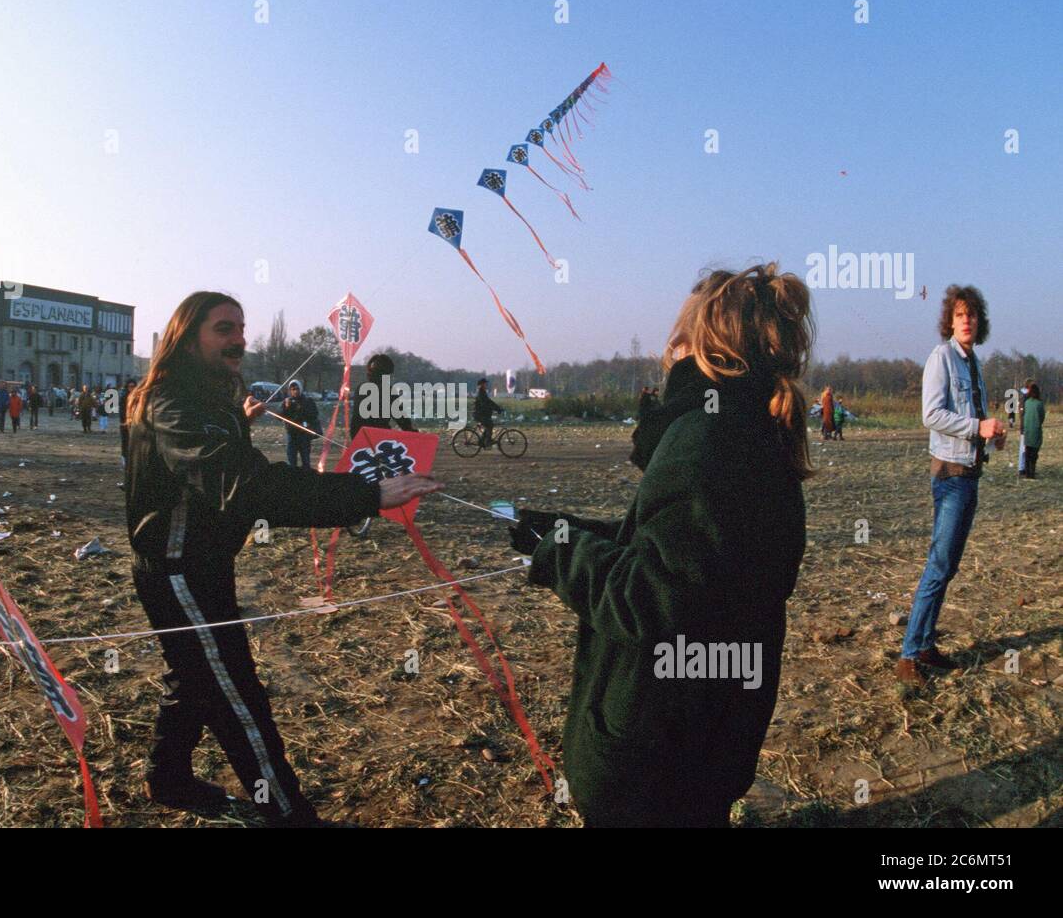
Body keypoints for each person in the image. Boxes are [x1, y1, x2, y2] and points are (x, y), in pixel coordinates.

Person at [507, 263, 812, 827]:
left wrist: (559, 554)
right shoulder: (749, 427)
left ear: (700, 342)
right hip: (707, 739)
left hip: (656, 760)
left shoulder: (708, 437)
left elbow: (652, 596)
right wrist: (568, 529)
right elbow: (686, 553)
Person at [124, 291, 441, 824]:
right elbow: (241, 484)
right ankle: (291, 816)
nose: (239, 339)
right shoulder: (171, 403)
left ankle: (168, 776)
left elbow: (215, 469)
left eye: (242, 328)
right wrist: (365, 495)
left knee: (197, 675)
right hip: (178, 570)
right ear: (187, 334)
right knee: (237, 695)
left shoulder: (207, 396)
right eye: (224, 328)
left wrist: (239, 422)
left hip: (202, 562)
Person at [898, 285, 1005, 685]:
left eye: (972, 315)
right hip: (950, 476)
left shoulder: (974, 364)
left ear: (980, 322)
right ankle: (908, 655)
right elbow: (932, 414)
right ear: (950, 321)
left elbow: (973, 415)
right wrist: (977, 426)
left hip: (970, 472)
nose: (966, 321)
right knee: (939, 565)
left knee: (949, 566)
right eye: (959, 315)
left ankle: (925, 643)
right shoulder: (941, 357)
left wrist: (990, 432)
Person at [350, 353, 418, 439]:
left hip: (359, 435)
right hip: (380, 436)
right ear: (386, 374)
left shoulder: (361, 388)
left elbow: (356, 419)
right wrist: (413, 432)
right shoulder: (388, 390)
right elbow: (401, 418)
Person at [280, 380, 320, 468]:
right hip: (291, 434)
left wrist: (301, 408)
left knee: (305, 461)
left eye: (297, 389)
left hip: (304, 434)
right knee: (291, 461)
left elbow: (314, 415)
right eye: (293, 389)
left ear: (301, 389)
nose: (295, 391)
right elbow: (279, 416)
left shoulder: (308, 401)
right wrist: (286, 407)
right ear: (290, 390)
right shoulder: (287, 401)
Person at [1022, 383, 1045, 479]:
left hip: (1027, 431)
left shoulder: (1026, 403)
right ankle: (1032, 473)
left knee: (1027, 453)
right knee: (1034, 455)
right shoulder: (1039, 404)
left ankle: (1027, 473)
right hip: (1035, 431)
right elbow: (1042, 417)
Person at [473, 378, 503, 450]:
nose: (486, 385)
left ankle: (481, 442)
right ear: (482, 385)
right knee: (489, 424)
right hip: (479, 414)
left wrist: (498, 408)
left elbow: (489, 401)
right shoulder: (481, 393)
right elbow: (485, 404)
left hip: (481, 414)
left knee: (488, 425)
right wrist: (494, 409)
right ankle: (488, 441)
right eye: (485, 383)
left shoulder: (483, 392)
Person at [119, 379, 136, 464]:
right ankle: (124, 459)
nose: (132, 388)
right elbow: (122, 411)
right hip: (125, 423)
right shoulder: (124, 397)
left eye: (133, 386)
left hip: (135, 423)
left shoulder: (137, 396)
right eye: (130, 386)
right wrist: (124, 421)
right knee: (125, 441)